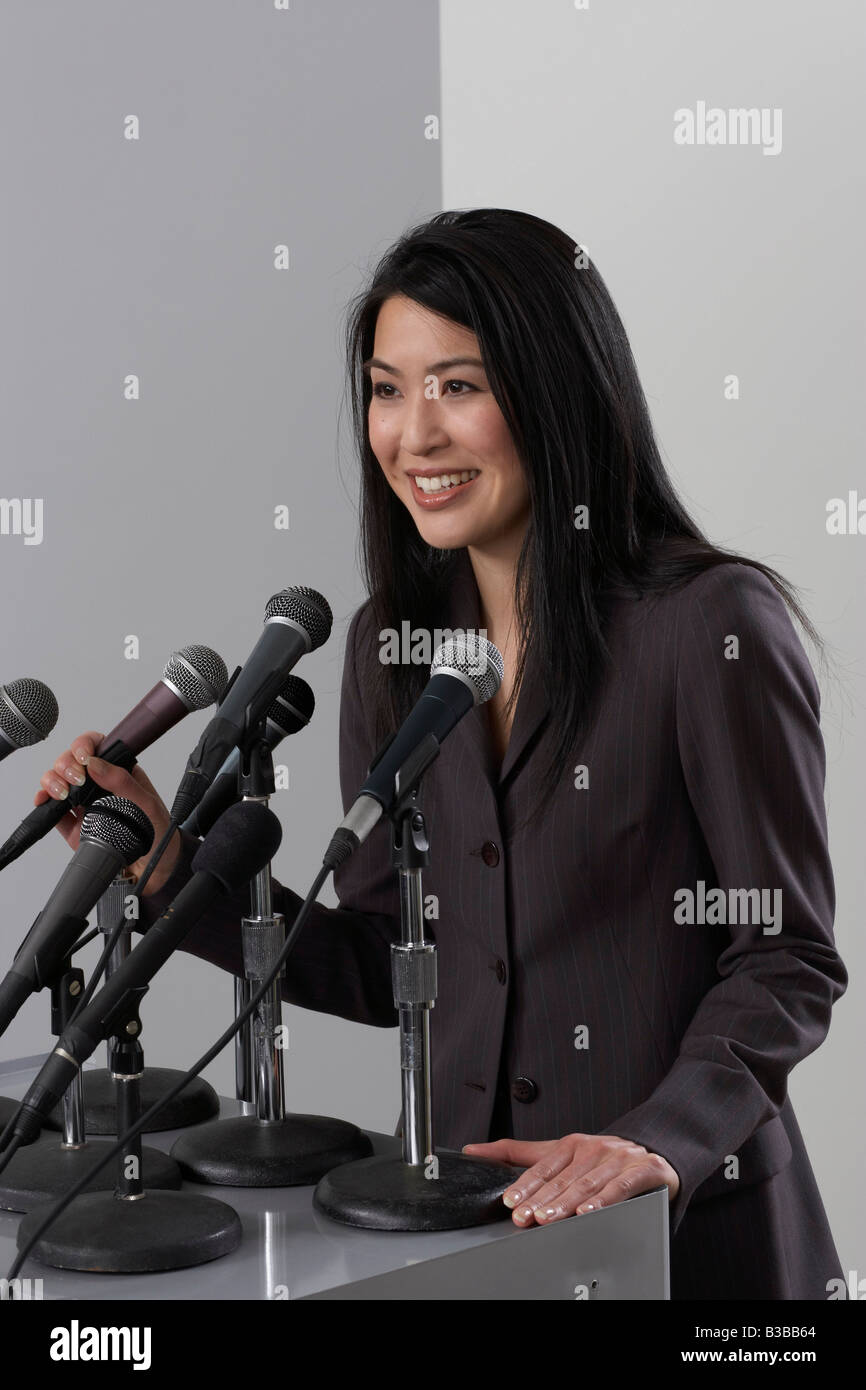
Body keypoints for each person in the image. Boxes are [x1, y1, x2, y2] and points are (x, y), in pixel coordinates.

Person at [37, 209, 847, 1300]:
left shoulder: (705, 625)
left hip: (692, 1247)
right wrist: (169, 866)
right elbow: (389, 960)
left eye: (457, 385)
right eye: (385, 388)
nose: (412, 433)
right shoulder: (389, 648)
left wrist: (655, 1140)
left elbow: (783, 956)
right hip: (474, 1247)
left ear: (556, 391)